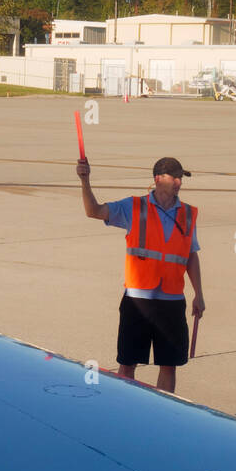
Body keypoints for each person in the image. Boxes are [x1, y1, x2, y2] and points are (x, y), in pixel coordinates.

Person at [76, 155, 205, 394]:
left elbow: (191, 255)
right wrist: (85, 180)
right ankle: (125, 412)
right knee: (127, 363)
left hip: (172, 301)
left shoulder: (188, 214)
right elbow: (93, 211)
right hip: (138, 300)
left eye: (180, 177)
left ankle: (163, 414)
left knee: (169, 364)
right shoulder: (133, 207)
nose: (178, 182)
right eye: (173, 176)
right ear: (157, 179)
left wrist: (199, 293)